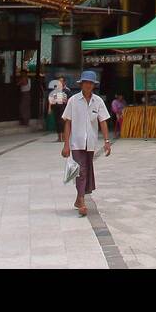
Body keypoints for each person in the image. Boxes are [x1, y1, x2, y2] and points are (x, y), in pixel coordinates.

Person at [61, 70, 111, 217]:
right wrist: (66, 144)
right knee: (80, 171)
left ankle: (78, 198)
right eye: (85, 83)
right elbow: (68, 122)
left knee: (86, 171)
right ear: (81, 84)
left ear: (94, 85)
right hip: (76, 143)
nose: (88, 85)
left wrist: (107, 141)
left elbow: (103, 121)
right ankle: (82, 202)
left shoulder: (98, 101)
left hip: (90, 143)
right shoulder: (73, 101)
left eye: (90, 83)